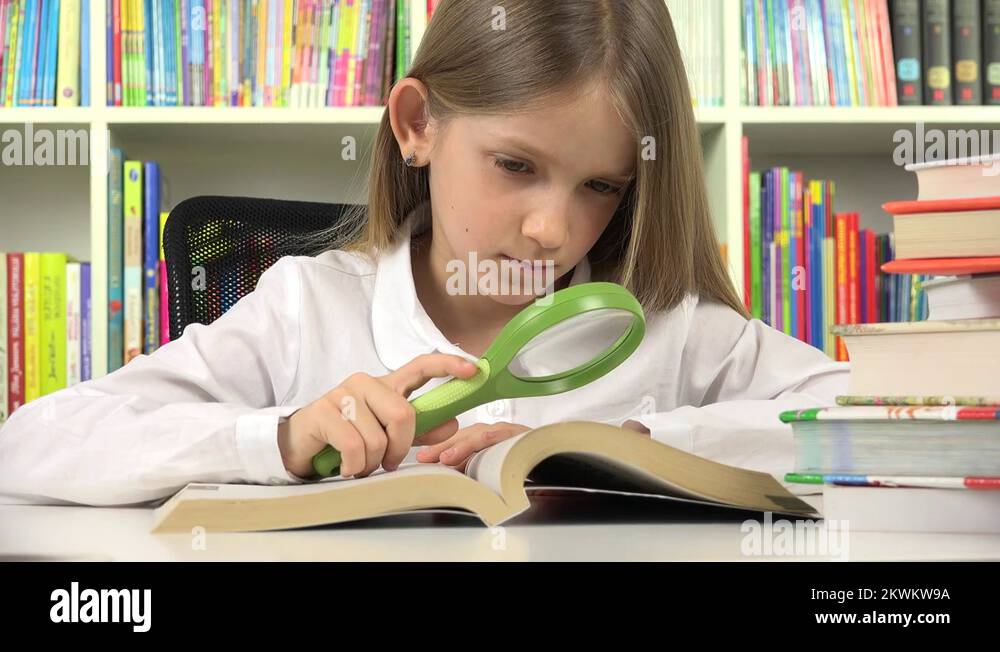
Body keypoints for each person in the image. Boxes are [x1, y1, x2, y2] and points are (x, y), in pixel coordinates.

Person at [0, 0, 848, 506]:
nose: (553, 229)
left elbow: (879, 424)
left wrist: (631, 445)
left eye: (602, 187)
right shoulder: (305, 306)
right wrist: (280, 439)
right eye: (516, 166)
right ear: (416, 126)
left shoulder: (672, 332)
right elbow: (32, 443)